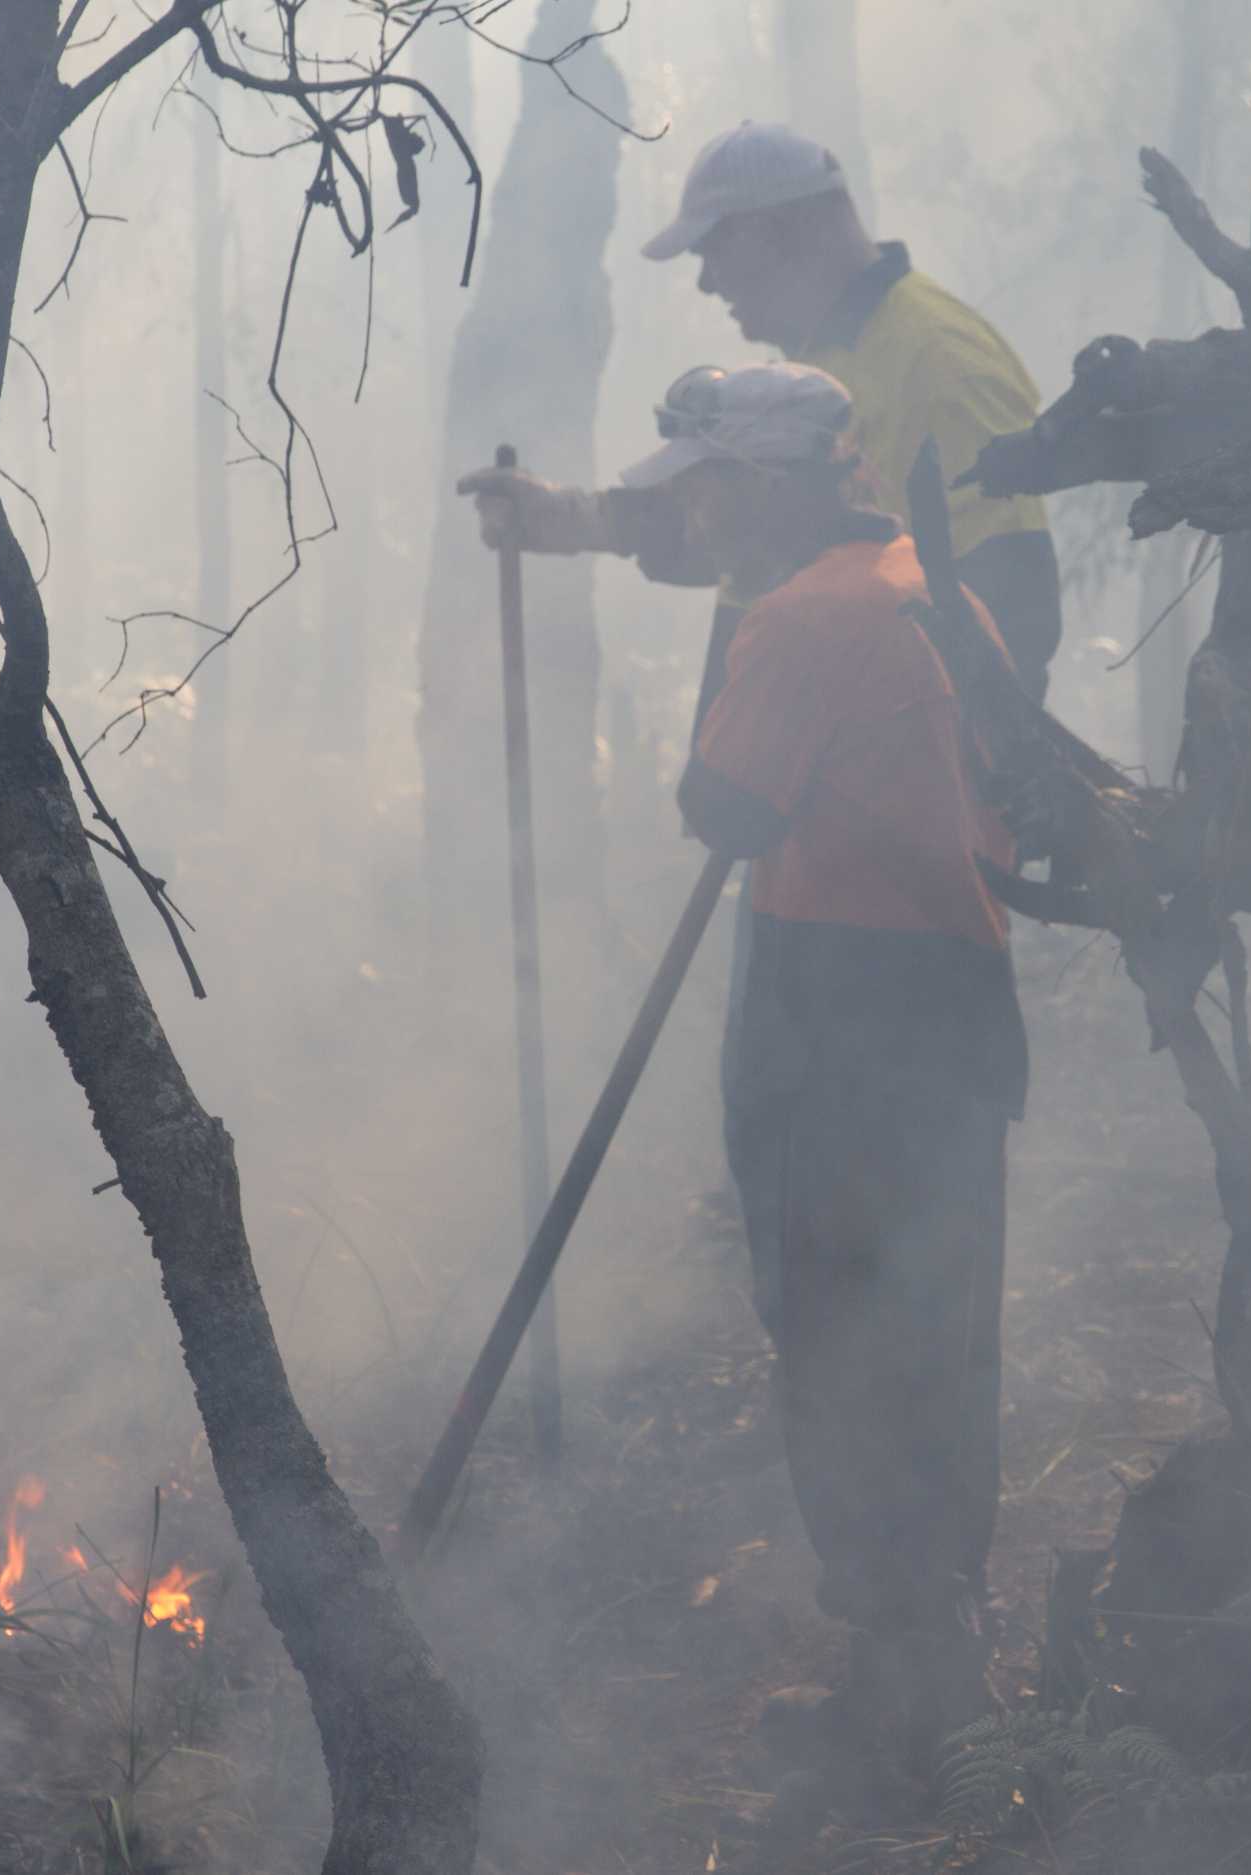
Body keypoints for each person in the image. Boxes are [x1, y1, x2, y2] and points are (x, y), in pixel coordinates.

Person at [569, 362, 1025, 1764]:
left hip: (843, 1001)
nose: (686, 519)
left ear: (756, 485)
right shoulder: (916, 575)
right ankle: (937, 1636)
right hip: (955, 991)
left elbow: (726, 804)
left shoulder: (804, 616)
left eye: (698, 488)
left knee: (839, 1331)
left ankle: (901, 1674)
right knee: (938, 1325)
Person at [461, 119, 1063, 700]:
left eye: (713, 249)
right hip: (775, 772)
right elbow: (752, 530)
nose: (706, 283)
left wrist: (876, 779)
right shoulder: (819, 361)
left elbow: (1010, 618)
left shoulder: (939, 363)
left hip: (848, 790)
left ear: (789, 229)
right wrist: (567, 518)